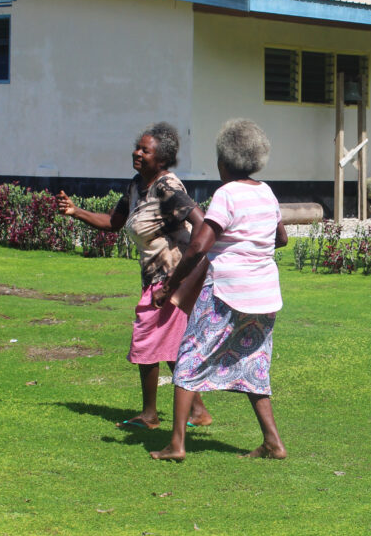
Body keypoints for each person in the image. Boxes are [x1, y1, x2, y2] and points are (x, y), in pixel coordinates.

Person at [56, 122, 212, 429]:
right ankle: (198, 411)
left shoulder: (168, 187)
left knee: (145, 341)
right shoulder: (136, 186)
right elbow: (114, 222)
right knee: (168, 345)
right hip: (156, 277)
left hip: (171, 278)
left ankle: (150, 414)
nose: (136, 153)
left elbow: (202, 223)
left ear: (162, 160)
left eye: (145, 150)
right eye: (137, 147)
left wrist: (176, 279)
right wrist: (76, 211)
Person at [150, 119, 288, 461]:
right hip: (265, 294)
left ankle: (177, 444)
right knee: (255, 364)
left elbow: (198, 245)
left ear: (223, 162)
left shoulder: (227, 194)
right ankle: (273, 443)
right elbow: (281, 238)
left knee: (188, 359)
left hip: (227, 290)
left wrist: (171, 283)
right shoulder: (266, 191)